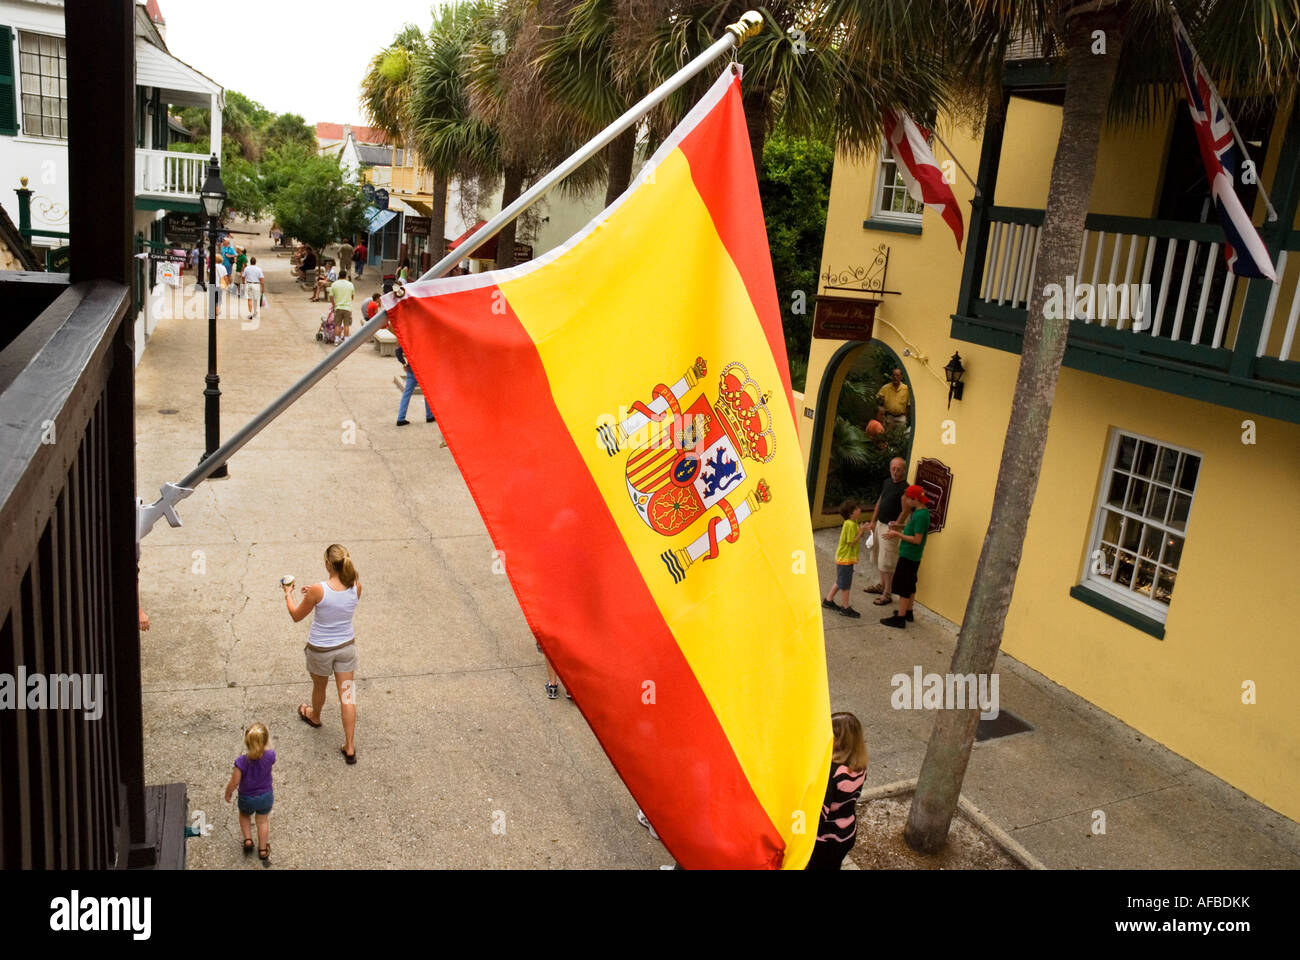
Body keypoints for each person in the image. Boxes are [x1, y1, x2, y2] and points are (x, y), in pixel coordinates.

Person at [285, 544, 361, 763]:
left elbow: (296, 615)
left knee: (319, 687)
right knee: (348, 696)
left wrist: (288, 594)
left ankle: (315, 716)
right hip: (346, 647)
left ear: (328, 564)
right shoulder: (356, 586)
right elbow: (338, 603)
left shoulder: (319, 589)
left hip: (321, 650)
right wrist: (315, 593)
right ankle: (349, 746)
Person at [806, 712, 868, 870]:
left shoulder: (831, 772)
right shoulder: (859, 766)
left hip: (826, 840)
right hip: (847, 833)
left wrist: (798, 831)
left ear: (839, 740)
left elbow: (820, 815)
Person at [879, 485, 930, 629]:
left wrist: (896, 534)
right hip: (912, 556)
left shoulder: (920, 516)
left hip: (909, 556)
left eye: (908, 498)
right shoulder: (921, 512)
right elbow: (912, 529)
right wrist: (899, 525)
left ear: (915, 499)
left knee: (904, 587)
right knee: (911, 584)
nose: (906, 501)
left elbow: (917, 539)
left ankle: (900, 618)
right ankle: (908, 611)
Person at [224, 722, 276, 861]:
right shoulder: (270, 755)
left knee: (244, 816)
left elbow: (234, 782)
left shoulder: (241, 762)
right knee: (262, 822)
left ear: (246, 742)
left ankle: (248, 840)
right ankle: (263, 850)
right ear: (266, 741)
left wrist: (228, 793)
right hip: (266, 796)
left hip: (247, 798)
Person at [865, 457, 909, 606]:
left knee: (887, 561)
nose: (895, 472)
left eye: (899, 469)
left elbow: (905, 511)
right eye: (893, 468)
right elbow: (879, 502)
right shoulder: (887, 482)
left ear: (904, 470)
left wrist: (895, 527)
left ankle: (887, 593)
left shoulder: (905, 488)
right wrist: (872, 521)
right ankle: (881, 585)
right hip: (879, 524)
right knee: (878, 556)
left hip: (890, 529)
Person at [823, 499, 867, 618]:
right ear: (851, 513)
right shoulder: (850, 524)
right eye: (857, 508)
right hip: (845, 559)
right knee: (845, 584)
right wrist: (861, 531)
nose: (859, 510)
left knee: (841, 580)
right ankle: (845, 607)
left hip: (844, 558)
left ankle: (828, 600)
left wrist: (861, 530)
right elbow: (851, 542)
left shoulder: (852, 522)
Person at [394, 344, 433, 426]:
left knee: (406, 395)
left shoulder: (410, 340)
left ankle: (400, 418)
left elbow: (398, 351)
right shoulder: (425, 341)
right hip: (424, 371)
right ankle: (429, 416)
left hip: (411, 370)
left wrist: (404, 363)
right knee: (428, 394)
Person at [329, 268, 356, 342]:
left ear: (339, 276)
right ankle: (346, 340)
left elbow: (330, 296)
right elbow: (352, 297)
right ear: (346, 276)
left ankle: (336, 340)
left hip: (338, 307)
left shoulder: (334, 284)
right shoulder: (350, 284)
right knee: (346, 325)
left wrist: (334, 304)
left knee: (337, 325)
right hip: (347, 308)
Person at [242, 256, 265, 320]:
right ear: (255, 262)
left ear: (250, 262)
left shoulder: (247, 268)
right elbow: (261, 279)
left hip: (249, 283)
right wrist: (263, 287)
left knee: (249, 299)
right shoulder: (259, 269)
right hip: (256, 284)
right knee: (255, 299)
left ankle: (250, 313)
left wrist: (243, 282)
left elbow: (243, 276)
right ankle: (255, 312)